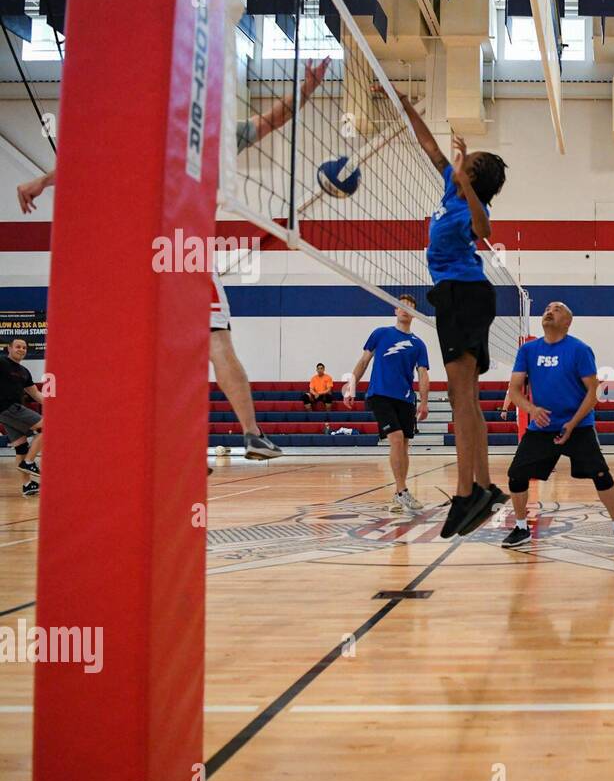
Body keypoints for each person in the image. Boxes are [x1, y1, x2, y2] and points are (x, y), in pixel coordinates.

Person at [15, 59, 333, 462]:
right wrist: (307, 88)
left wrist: (40, 182)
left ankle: (165, 446)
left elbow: (83, 164)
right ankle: (251, 434)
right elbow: (275, 118)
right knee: (216, 340)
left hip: (138, 255)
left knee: (152, 353)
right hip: (184, 247)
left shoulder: (136, 134)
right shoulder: (211, 137)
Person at [398, 91, 509, 536]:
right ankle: (484, 486)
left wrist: (464, 183)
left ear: (473, 176)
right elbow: (430, 148)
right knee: (464, 397)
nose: (460, 161)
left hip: (463, 295)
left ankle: (466, 496)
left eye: (469, 161)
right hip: (457, 295)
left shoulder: (468, 205)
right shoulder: (450, 186)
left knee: (460, 397)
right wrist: (405, 106)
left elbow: (485, 230)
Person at [500, 302, 614, 550]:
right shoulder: (528, 350)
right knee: (516, 475)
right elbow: (514, 389)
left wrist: (572, 424)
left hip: (578, 426)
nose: (549, 310)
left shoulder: (579, 350)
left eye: (557, 309)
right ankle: (521, 527)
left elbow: (592, 393)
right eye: (547, 308)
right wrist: (532, 410)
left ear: (567, 321)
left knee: (601, 474)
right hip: (542, 427)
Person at [343, 296, 430, 516]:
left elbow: (422, 374)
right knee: (397, 438)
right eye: (401, 306)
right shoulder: (380, 334)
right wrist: (351, 385)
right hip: (381, 394)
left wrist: (424, 402)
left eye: (410, 308)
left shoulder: (419, 344)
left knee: (404, 446)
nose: (405, 310)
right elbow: (363, 361)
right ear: (395, 310)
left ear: (414, 314)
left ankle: (399, 493)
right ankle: (402, 491)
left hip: (406, 398)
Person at [1, 338, 43, 497]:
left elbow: (36, 394)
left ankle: (27, 485)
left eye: (24, 347)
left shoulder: (24, 372)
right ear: (9, 348)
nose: (21, 349)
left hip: (9, 414)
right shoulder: (2, 363)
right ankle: (30, 462)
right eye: (18, 346)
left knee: (21, 448)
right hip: (9, 408)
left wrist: (56, 408)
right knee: (48, 427)